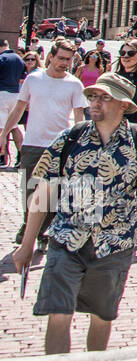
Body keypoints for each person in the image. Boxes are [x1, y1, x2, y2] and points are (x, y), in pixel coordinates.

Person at [13, 72, 137, 355]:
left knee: (101, 317)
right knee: (58, 314)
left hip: (114, 245)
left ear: (123, 105)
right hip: (66, 240)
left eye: (104, 97)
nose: (95, 102)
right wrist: (27, 245)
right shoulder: (71, 137)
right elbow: (43, 192)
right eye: (93, 96)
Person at [1, 38, 88, 249]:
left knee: (53, 194)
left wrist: (81, 144)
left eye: (68, 60)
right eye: (61, 58)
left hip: (59, 146)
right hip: (33, 143)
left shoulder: (74, 84)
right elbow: (19, 109)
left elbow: (79, 118)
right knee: (30, 191)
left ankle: (39, 232)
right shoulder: (33, 79)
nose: (64, 63)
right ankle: (30, 226)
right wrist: (4, 134)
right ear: (50, 56)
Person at [0, 40, 25, 165]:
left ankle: (1, 156)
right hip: (15, 95)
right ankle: (21, 155)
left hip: (2, 94)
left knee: (1, 128)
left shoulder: (1, 58)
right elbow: (22, 79)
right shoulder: (19, 59)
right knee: (14, 127)